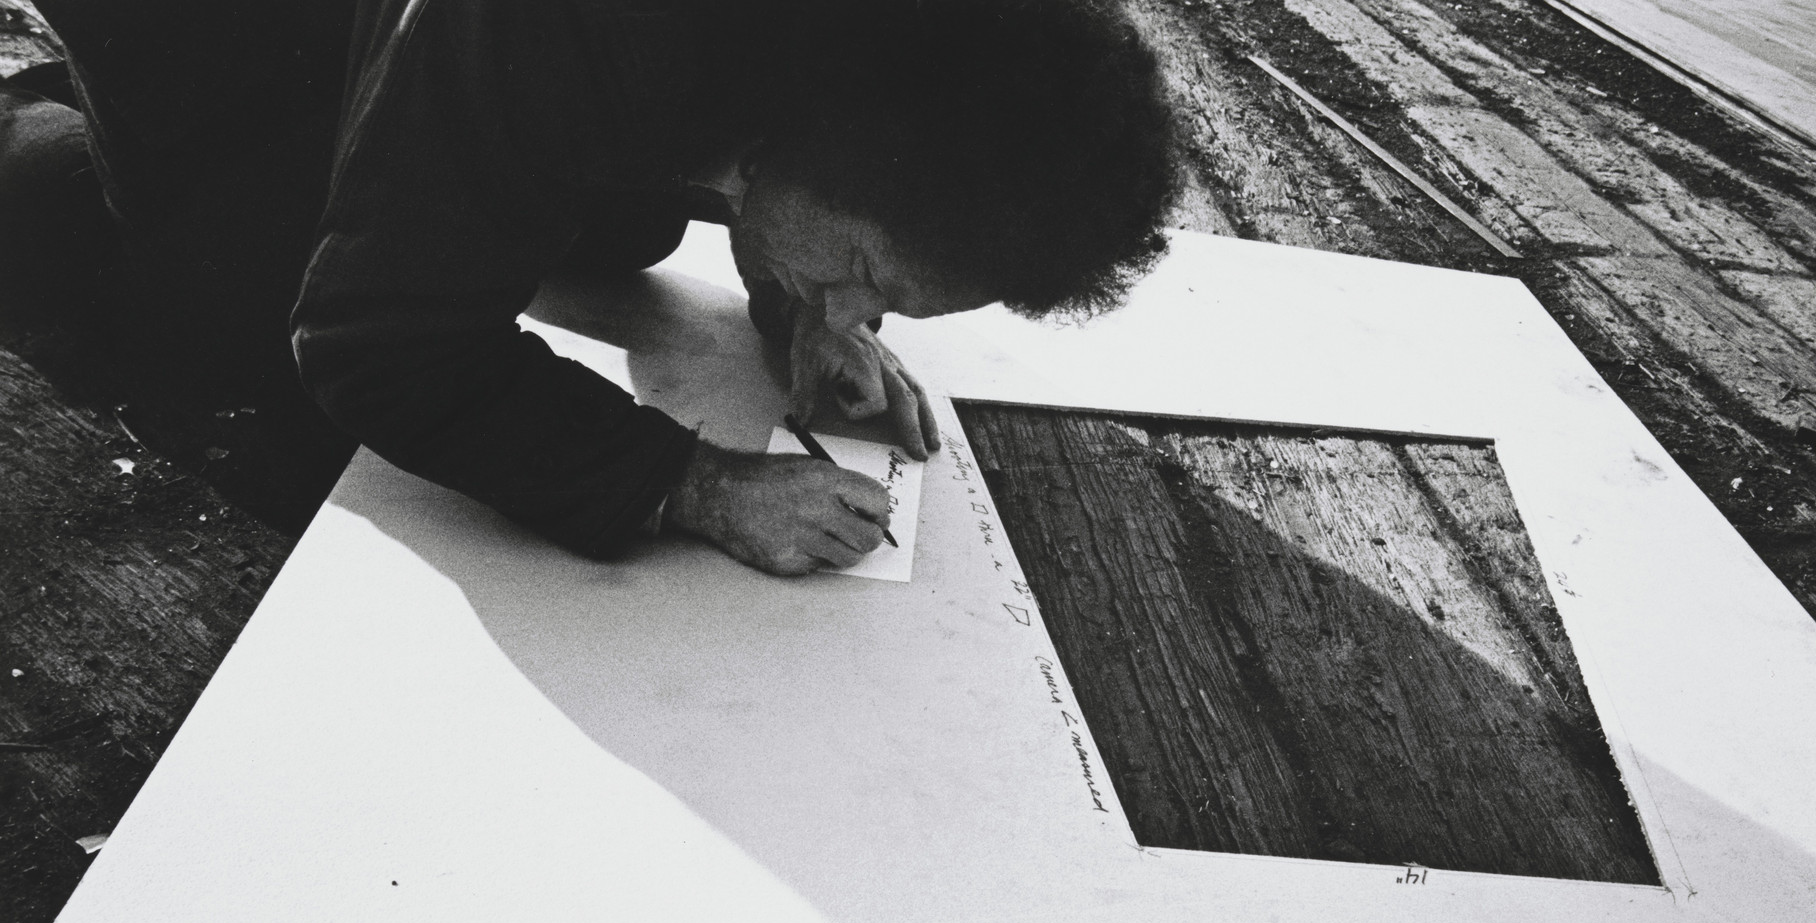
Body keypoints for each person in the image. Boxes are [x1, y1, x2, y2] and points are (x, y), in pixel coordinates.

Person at [0, 0, 1181, 573]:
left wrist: (796, 299)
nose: (854, 316)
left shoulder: (870, 55)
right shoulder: (570, 31)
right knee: (234, 306)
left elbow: (782, 152)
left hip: (500, 53)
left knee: (615, 218)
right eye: (863, 275)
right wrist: (688, 481)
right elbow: (382, 345)